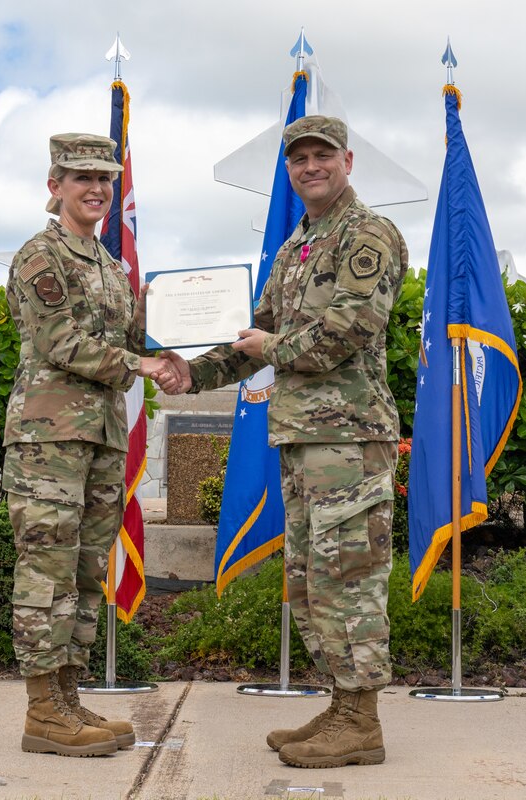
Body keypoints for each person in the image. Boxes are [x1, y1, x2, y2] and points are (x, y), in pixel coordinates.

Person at [161, 115, 407, 768]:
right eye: (298, 157)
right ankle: (341, 706)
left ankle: (361, 721)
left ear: (348, 161)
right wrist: (192, 372)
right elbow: (254, 336)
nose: (309, 166)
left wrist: (271, 346)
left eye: (321, 154)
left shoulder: (370, 236)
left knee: (348, 579)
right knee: (310, 583)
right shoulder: (295, 247)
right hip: (302, 439)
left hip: (349, 440)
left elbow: (345, 331)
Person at [1, 133, 174, 757]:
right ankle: (43, 709)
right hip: (48, 439)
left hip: (99, 435)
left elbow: (130, 341)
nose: (96, 189)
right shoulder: (38, 257)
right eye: (81, 179)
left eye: (104, 179)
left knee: (84, 570)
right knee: (46, 570)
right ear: (55, 187)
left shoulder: (109, 266)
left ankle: (67, 698)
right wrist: (141, 361)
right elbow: (59, 343)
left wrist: (167, 320)